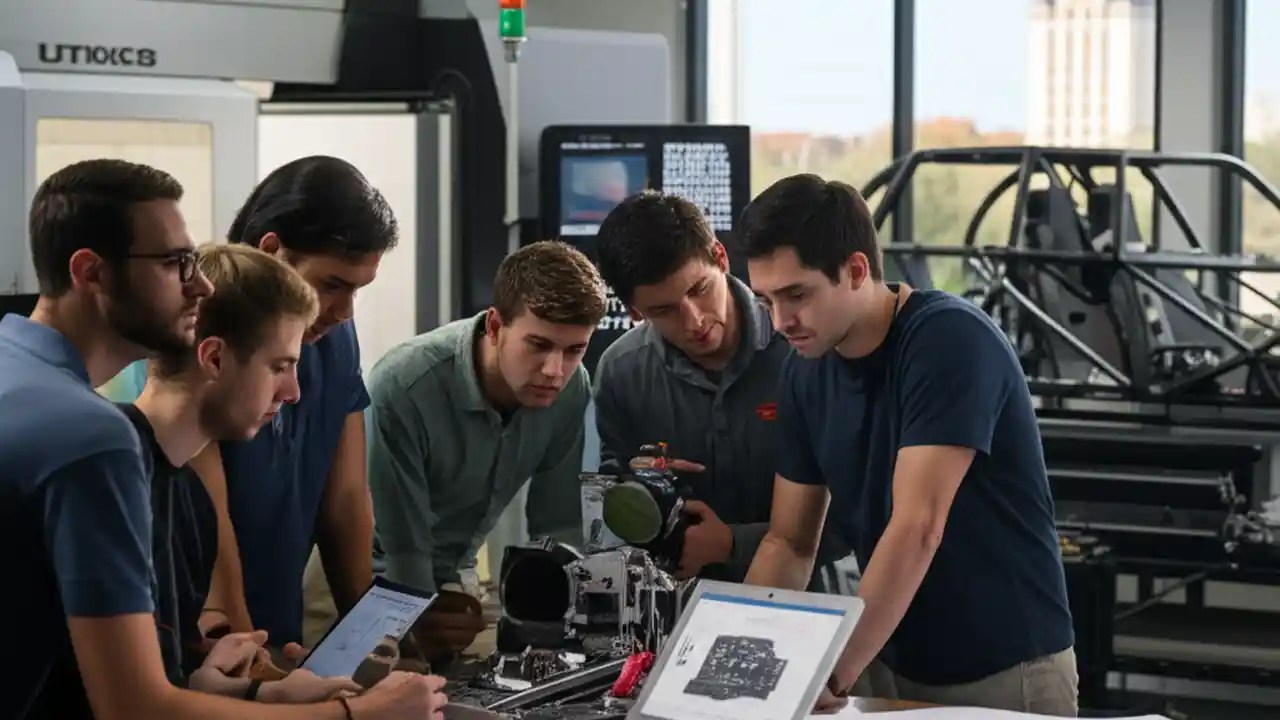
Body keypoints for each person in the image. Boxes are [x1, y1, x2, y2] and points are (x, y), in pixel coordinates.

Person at [0, 159, 444, 720]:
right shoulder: (94, 437)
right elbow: (135, 708)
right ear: (91, 272)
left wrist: (246, 688)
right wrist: (357, 716)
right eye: (174, 263)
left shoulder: (14, 367)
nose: (200, 283)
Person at [738, 174, 1078, 716]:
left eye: (797, 295)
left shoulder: (948, 340)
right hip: (889, 660)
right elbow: (789, 543)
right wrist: (736, 657)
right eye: (766, 300)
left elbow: (919, 524)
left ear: (855, 270)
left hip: (1002, 667)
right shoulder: (806, 370)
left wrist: (835, 669)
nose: (781, 322)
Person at [592, 191, 851, 586]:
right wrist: (643, 490)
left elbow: (856, 516)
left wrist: (732, 542)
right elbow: (612, 520)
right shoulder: (620, 373)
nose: (694, 321)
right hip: (675, 607)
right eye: (664, 310)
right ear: (634, 313)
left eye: (698, 289)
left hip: (811, 602)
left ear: (721, 257)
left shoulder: (807, 349)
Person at [190, 156, 397, 651]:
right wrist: (261, 676)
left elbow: (345, 499)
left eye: (357, 291)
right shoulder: (203, 342)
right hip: (212, 643)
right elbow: (211, 525)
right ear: (273, 252)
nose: (345, 311)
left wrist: (369, 638)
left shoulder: (336, 339)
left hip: (282, 632)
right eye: (333, 285)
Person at [366, 240, 607, 661]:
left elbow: (558, 527)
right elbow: (402, 545)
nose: (555, 371)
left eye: (574, 350)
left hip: (448, 574)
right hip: (361, 578)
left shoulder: (572, 387)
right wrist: (415, 633)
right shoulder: (405, 385)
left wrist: (555, 635)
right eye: (538, 345)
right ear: (495, 327)